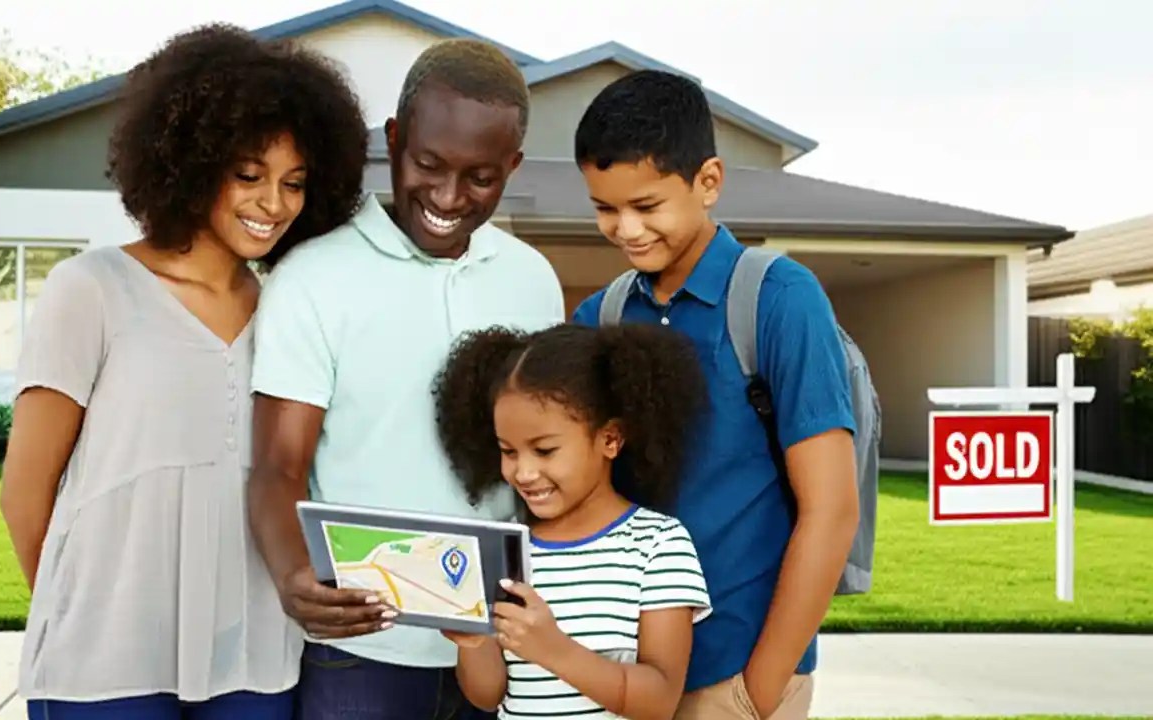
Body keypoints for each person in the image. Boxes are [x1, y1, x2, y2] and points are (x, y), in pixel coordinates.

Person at [0, 24, 368, 719]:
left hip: (252, 656)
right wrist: (79, 623)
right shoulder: (93, 288)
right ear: (191, 163)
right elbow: (24, 492)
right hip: (104, 662)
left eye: (295, 183)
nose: (273, 204)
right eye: (248, 175)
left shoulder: (290, 310)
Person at [246, 38, 565, 720]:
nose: (449, 197)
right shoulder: (313, 277)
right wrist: (290, 572)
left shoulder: (533, 280)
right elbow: (277, 466)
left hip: (496, 643)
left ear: (512, 165)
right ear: (393, 141)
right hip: (362, 649)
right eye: (428, 164)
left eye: (481, 177)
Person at [570, 70, 861, 720]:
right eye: (604, 208)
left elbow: (832, 510)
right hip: (624, 678)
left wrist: (759, 688)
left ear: (708, 182)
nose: (625, 229)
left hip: (735, 677)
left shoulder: (779, 300)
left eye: (646, 207)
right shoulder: (602, 318)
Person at [429, 322, 714, 720]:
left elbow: (659, 701)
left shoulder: (658, 545)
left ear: (610, 439)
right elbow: (487, 695)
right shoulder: (503, 548)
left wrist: (553, 649)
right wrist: (472, 642)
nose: (523, 472)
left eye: (544, 451)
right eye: (508, 451)